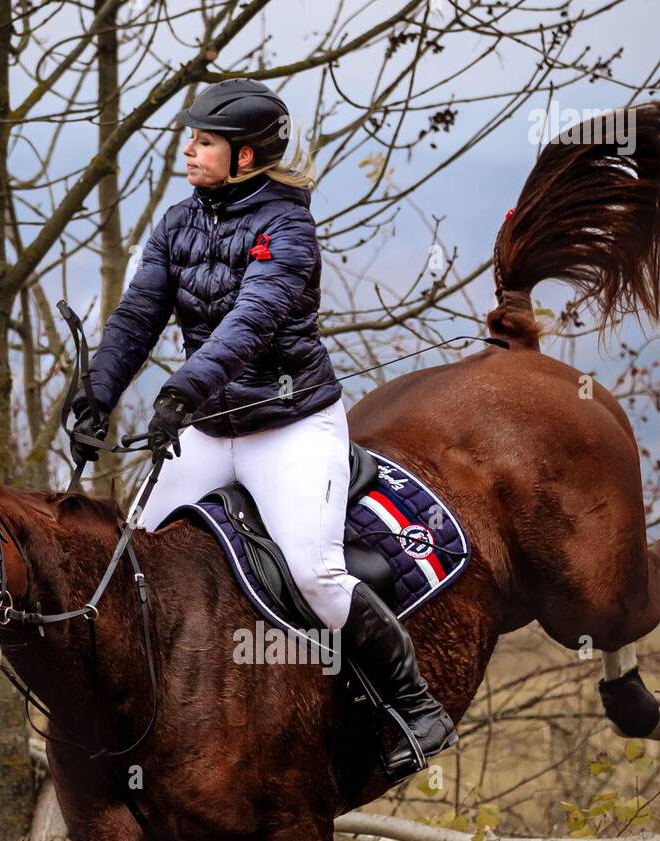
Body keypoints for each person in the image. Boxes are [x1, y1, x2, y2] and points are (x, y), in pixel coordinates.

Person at [70, 78, 456, 780]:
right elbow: (137, 317)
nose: (187, 150)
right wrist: (96, 392)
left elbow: (249, 327)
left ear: (246, 158)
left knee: (314, 575)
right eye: (189, 137)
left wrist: (181, 390)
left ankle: (414, 705)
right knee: (131, 570)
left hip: (289, 429)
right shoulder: (177, 223)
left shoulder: (288, 230)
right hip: (208, 430)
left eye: (203, 141)